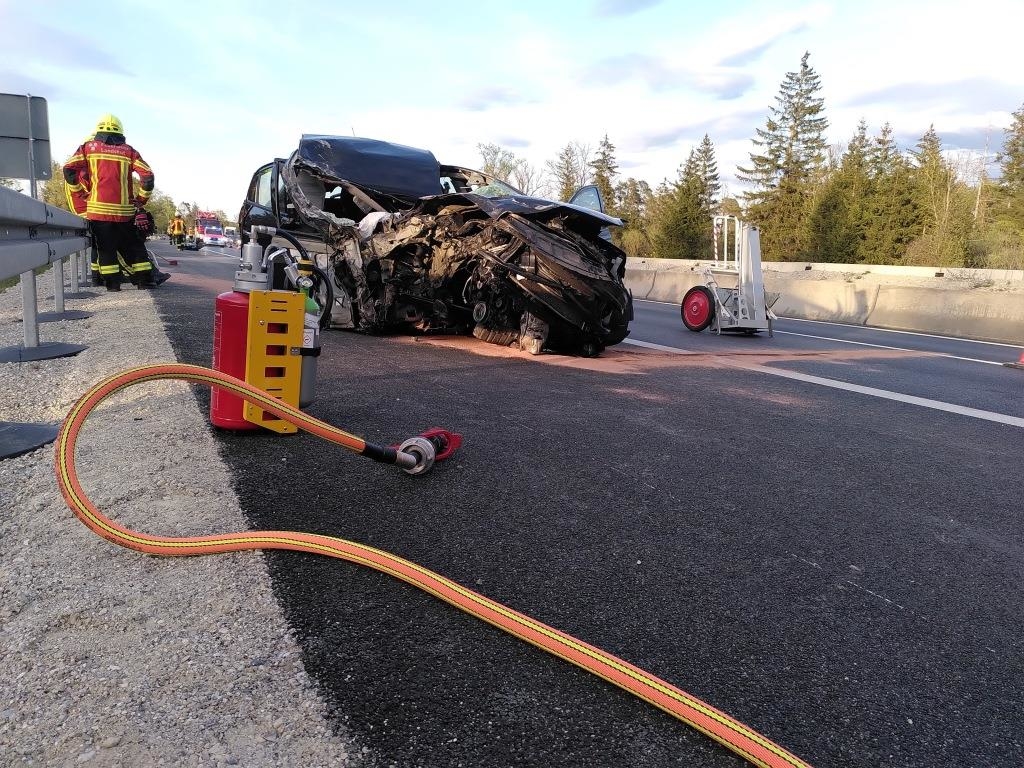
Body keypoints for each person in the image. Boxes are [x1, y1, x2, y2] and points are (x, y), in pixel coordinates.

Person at [62, 114, 156, 291]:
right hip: (125, 212)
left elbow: (69, 170)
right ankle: (146, 281)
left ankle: (113, 285)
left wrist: (79, 191)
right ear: (120, 131)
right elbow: (148, 176)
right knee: (133, 245)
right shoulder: (129, 151)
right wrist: (141, 201)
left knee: (105, 248)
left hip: (98, 210)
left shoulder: (89, 148)